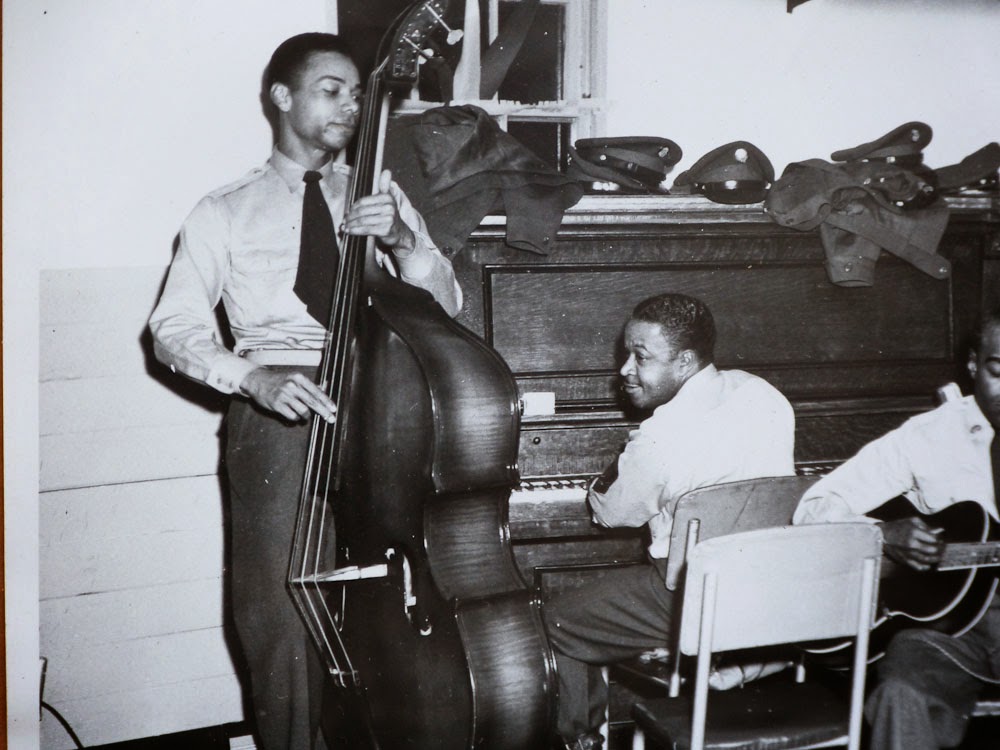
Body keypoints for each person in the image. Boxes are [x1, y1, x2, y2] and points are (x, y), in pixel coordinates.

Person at [148, 33, 462, 750]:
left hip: (381, 404)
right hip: (279, 409)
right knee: (282, 605)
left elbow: (447, 306)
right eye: (331, 89)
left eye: (357, 93)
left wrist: (408, 246)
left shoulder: (380, 196)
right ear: (281, 97)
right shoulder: (223, 210)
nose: (350, 105)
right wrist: (252, 377)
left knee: (397, 589)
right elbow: (173, 326)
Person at [543, 293, 796, 750]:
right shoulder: (762, 392)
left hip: (695, 599)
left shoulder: (661, 434)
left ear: (684, 362)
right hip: (773, 589)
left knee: (556, 621)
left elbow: (611, 514)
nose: (624, 369)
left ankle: (580, 741)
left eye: (640, 357)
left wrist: (615, 466)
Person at [793, 306, 1000, 750]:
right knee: (900, 693)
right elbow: (815, 508)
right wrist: (884, 536)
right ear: (973, 364)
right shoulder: (929, 436)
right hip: (951, 635)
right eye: (999, 370)